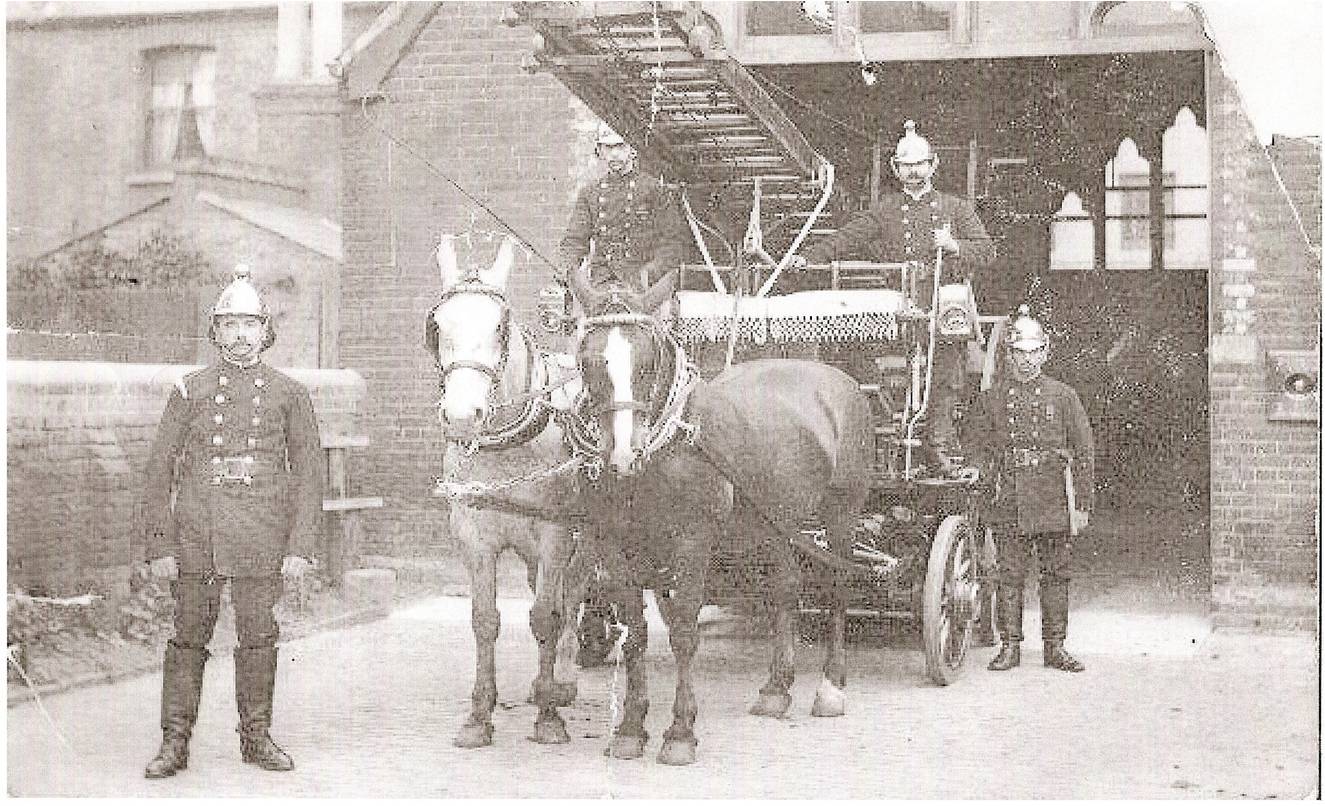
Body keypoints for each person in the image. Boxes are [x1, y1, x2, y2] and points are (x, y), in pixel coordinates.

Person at [138, 265, 322, 778]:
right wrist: (160, 545)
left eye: (251, 324)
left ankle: (256, 737)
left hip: (261, 532)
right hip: (198, 530)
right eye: (230, 324)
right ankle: (174, 742)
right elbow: (158, 471)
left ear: (266, 331)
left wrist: (299, 546)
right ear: (215, 332)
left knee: (259, 634)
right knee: (188, 636)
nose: (241, 335)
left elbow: (310, 474)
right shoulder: (189, 390)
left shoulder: (289, 394)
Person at [791, 120, 995, 473]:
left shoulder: (955, 208)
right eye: (905, 166)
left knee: (944, 373)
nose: (913, 172)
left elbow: (987, 250)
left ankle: (939, 448)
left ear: (933, 165)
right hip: (899, 300)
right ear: (895, 170)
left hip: (942, 301)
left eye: (919, 164)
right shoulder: (885, 210)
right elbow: (848, 237)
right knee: (865, 364)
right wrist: (809, 258)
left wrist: (954, 245)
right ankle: (875, 441)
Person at [960, 306, 1094, 673]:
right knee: (1010, 575)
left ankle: (1055, 648)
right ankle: (1010, 648)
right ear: (1009, 354)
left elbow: (1084, 453)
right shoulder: (992, 399)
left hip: (1053, 495)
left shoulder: (1064, 396)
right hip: (1010, 497)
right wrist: (980, 476)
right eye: (1020, 352)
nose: (1027, 360)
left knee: (1056, 574)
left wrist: (1081, 505)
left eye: (1034, 352)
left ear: (1046, 352)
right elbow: (976, 446)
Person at [557, 122, 685, 315]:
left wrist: (649, 274)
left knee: (664, 327)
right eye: (608, 148)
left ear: (633, 149)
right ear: (600, 150)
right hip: (600, 284)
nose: (615, 154)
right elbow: (574, 240)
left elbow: (672, 243)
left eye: (621, 146)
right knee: (577, 329)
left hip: (643, 285)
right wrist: (569, 268)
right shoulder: (589, 193)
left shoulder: (654, 190)